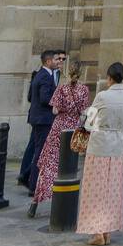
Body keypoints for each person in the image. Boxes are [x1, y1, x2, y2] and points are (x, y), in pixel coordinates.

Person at [78, 62, 123, 246]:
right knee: (113, 189)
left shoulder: (102, 96)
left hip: (100, 145)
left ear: (109, 77)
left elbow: (89, 121)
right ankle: (108, 230)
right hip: (118, 146)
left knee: (95, 189)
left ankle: (97, 232)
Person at [30, 60, 90, 217]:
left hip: (58, 128)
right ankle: (64, 203)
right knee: (69, 167)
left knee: (48, 166)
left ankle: (35, 202)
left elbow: (55, 110)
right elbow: (84, 112)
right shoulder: (84, 89)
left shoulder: (61, 88)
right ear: (81, 72)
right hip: (74, 128)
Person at [20, 50, 58, 193]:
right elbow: (44, 98)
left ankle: (27, 176)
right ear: (48, 61)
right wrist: (57, 103)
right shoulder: (45, 77)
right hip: (43, 119)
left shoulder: (43, 75)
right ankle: (32, 185)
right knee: (40, 152)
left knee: (40, 151)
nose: (57, 62)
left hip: (39, 118)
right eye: (54, 59)